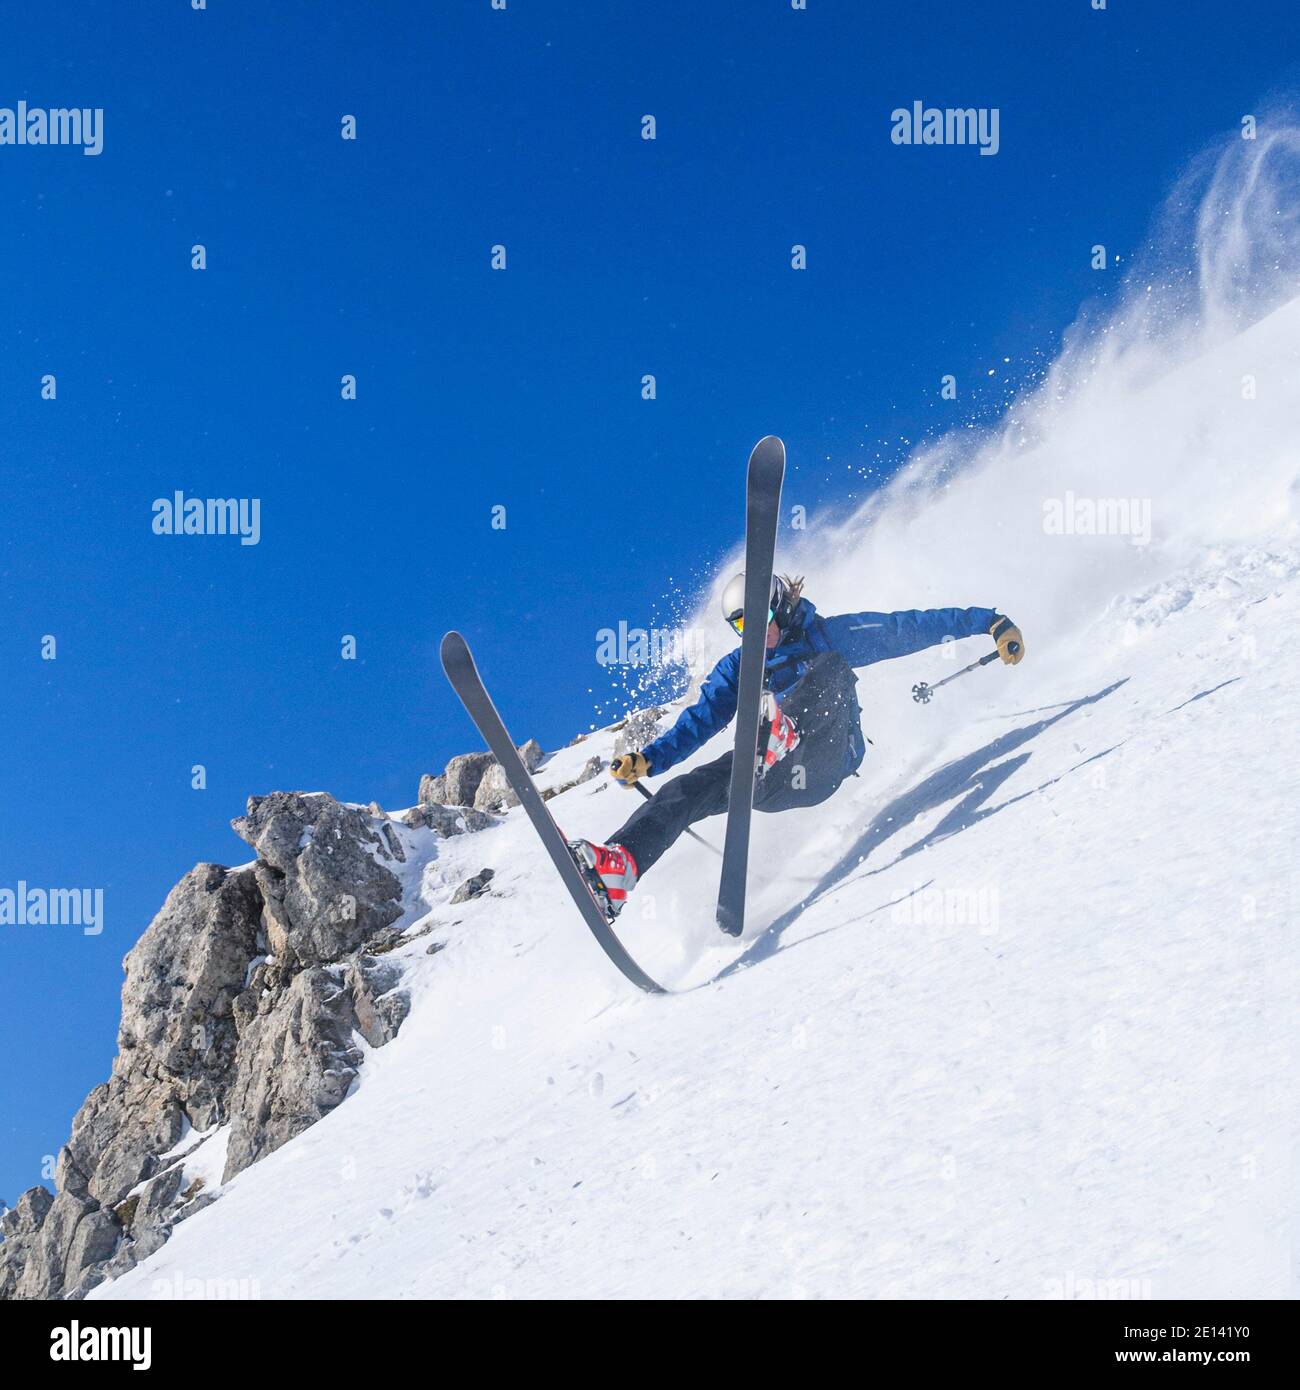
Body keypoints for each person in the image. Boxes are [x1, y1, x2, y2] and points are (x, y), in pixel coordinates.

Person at [569, 573, 1024, 921]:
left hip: (826, 759)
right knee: (690, 788)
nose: (754, 633)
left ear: (780, 607)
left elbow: (904, 628)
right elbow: (701, 719)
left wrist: (990, 623)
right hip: (770, 774)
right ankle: (618, 868)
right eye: (741, 625)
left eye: (759, 619)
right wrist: (650, 759)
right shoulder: (740, 668)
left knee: (829, 669)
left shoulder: (829, 636)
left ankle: (781, 733)